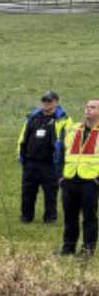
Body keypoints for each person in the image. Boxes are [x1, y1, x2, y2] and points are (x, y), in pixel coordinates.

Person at [17, 91, 67, 223]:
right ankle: (26, 217)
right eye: (44, 101)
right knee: (27, 191)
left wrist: (61, 160)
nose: (46, 103)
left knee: (50, 192)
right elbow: (23, 137)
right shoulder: (32, 117)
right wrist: (21, 155)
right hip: (31, 161)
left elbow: (66, 141)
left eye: (49, 101)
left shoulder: (63, 119)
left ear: (56, 102)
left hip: (50, 163)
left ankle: (50, 218)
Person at [59, 98, 99, 257]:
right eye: (87, 107)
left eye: (93, 107)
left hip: (90, 181)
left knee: (89, 217)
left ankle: (88, 249)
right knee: (70, 216)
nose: (88, 110)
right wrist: (60, 175)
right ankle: (68, 248)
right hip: (69, 178)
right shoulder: (74, 129)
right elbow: (60, 152)